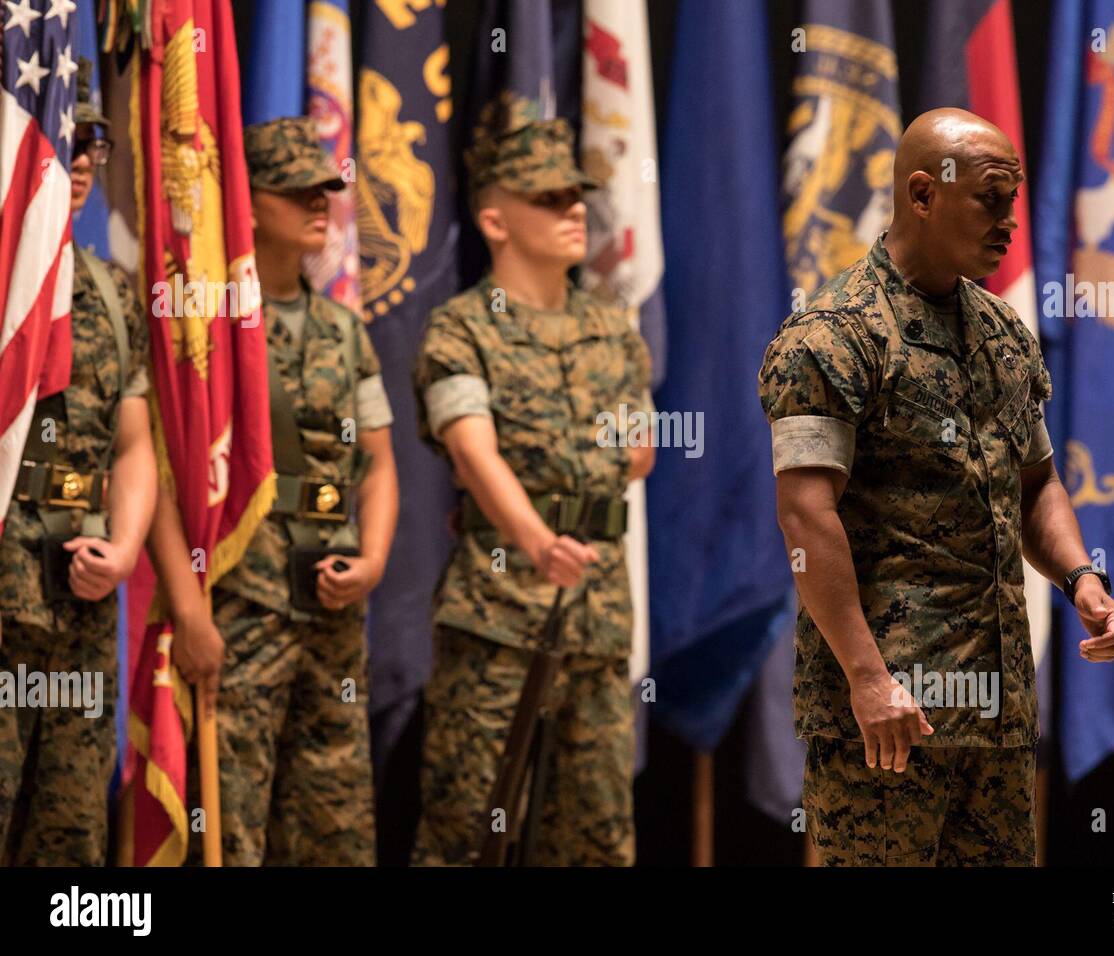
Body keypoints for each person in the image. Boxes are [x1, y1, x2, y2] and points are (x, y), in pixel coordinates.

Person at [758, 108, 1114, 866]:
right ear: (922, 194)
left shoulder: (1003, 331)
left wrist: (1079, 576)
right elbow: (806, 515)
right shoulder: (834, 334)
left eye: (1014, 204)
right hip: (891, 716)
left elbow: (1038, 482)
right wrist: (868, 680)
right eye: (991, 199)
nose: (1009, 224)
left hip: (994, 710)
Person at [148, 116, 398, 866]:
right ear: (248, 204)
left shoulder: (342, 329)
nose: (321, 204)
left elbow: (380, 465)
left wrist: (376, 561)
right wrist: (189, 612)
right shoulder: (205, 324)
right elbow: (161, 474)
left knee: (336, 832)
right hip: (239, 612)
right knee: (230, 830)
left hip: (329, 613)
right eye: (297, 190)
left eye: (325, 188)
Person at [410, 115, 654, 866]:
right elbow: (473, 451)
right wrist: (534, 538)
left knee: (597, 837)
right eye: (548, 198)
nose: (574, 210)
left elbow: (641, 449)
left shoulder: (614, 329)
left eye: (576, 195)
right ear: (495, 220)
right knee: (468, 828)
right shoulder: (460, 329)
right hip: (500, 610)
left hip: (599, 607)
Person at [0, 60, 157, 866]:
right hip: (2, 599)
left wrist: (126, 550)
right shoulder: (2, 278)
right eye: (71, 135)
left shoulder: (110, 290)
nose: (87, 156)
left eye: (96, 139)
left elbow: (135, 445)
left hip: (81, 605)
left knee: (68, 839)